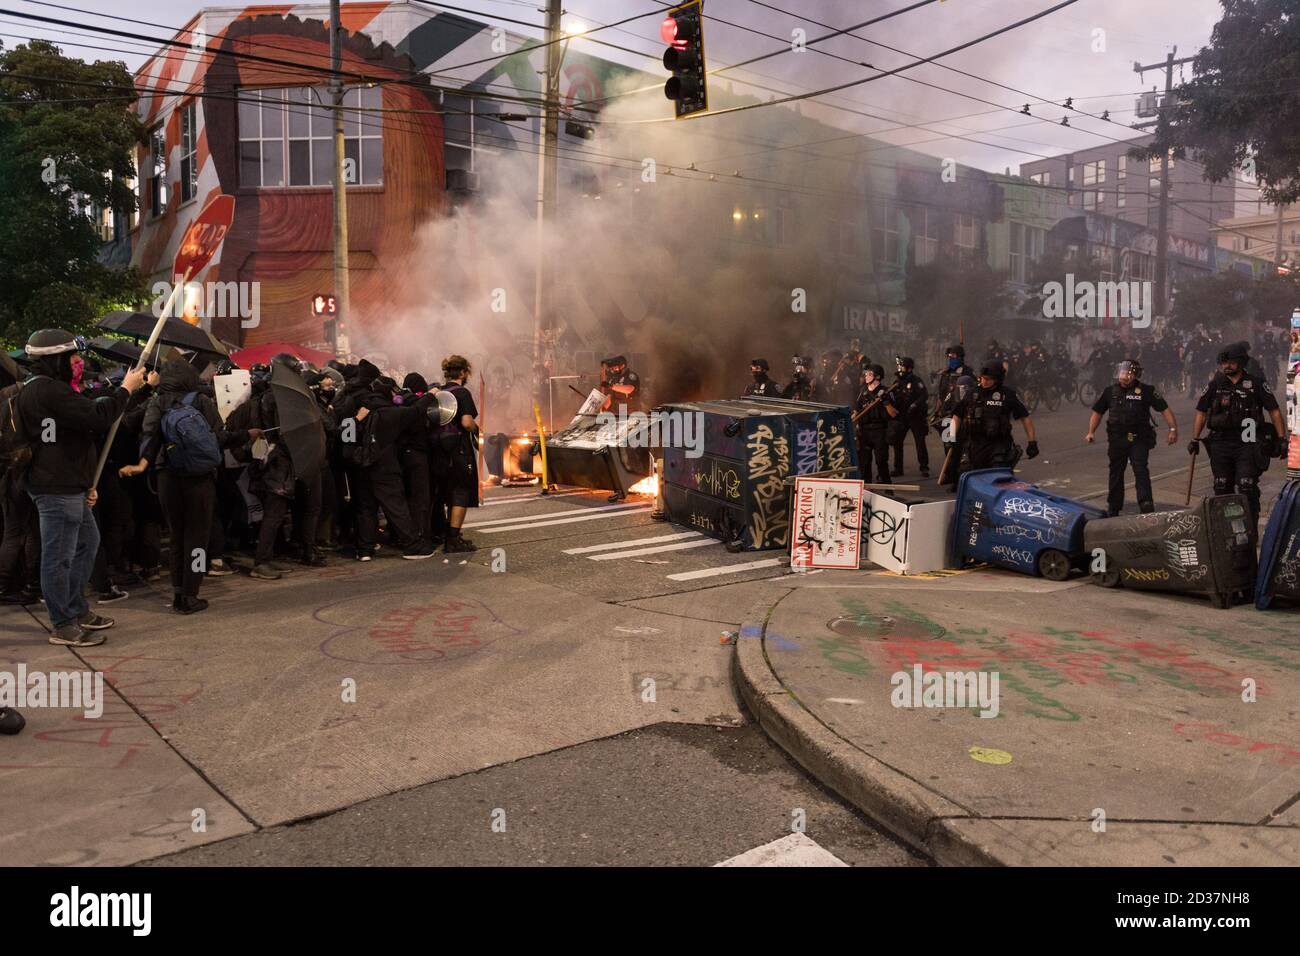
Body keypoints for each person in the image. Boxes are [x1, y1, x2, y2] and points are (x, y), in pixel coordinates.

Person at [16, 330, 146, 646]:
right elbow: (97, 416)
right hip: (55, 487)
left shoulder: (52, 389)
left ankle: (76, 608)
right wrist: (127, 390)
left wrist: (86, 483)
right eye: (73, 357)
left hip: (69, 484)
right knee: (59, 556)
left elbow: (75, 432)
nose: (78, 362)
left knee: (88, 542)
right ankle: (63, 624)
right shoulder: (47, 390)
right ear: (55, 360)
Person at [121, 354, 259, 613]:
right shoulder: (201, 401)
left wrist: (142, 464)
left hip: (166, 477)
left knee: (177, 537)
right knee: (197, 538)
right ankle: (191, 594)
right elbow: (218, 438)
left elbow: (147, 435)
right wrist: (245, 435)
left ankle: (176, 593)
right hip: (199, 478)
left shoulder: (157, 402)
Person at [1189, 342, 1287, 522]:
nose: (1226, 366)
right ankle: (1226, 528)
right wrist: (1194, 439)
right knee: (1221, 486)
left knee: (1246, 485)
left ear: (1241, 362)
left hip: (1248, 442)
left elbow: (1273, 410)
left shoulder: (1256, 384)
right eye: (1223, 363)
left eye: (1230, 362)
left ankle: (1250, 526)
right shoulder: (1215, 384)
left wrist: (1282, 439)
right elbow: (1201, 412)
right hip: (1220, 443)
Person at [1085, 358, 1178, 517]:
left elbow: (1164, 409)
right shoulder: (1110, 392)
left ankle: (1145, 502)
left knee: (1140, 468)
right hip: (1117, 438)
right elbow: (1097, 412)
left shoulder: (1147, 391)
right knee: (1116, 471)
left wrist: (1173, 429)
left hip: (1139, 437)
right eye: (1122, 373)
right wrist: (1091, 431)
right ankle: (1114, 506)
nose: (1124, 376)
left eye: (1128, 374)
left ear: (1136, 375)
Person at [431, 354, 480, 553]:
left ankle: (449, 533)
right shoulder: (462, 393)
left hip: (438, 450)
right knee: (461, 492)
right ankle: (453, 539)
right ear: (462, 372)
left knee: (446, 492)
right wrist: (478, 429)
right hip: (459, 450)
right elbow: (467, 423)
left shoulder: (438, 392)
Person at [952, 364, 1038, 472]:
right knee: (972, 476)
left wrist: (1032, 443)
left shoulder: (1008, 395)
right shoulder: (972, 393)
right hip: (975, 446)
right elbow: (957, 416)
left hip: (999, 446)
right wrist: (950, 437)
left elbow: (1025, 418)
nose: (984, 382)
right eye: (983, 378)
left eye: (988, 379)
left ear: (998, 379)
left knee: (999, 476)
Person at [887, 356, 929, 478]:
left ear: (909, 368)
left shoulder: (917, 381)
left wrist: (915, 405)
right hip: (902, 417)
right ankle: (898, 468)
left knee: (920, 442)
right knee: (897, 442)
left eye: (903, 367)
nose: (900, 369)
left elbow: (924, 395)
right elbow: (892, 396)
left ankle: (924, 467)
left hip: (916, 417)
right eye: (899, 367)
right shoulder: (897, 382)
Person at [853, 364, 893, 484]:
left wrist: (885, 401)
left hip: (879, 430)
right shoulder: (863, 391)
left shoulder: (886, 391)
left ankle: (887, 486)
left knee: (881, 460)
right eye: (866, 373)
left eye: (869, 374)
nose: (866, 375)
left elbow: (893, 413)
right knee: (864, 462)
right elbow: (857, 409)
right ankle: (866, 488)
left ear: (878, 377)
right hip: (865, 430)